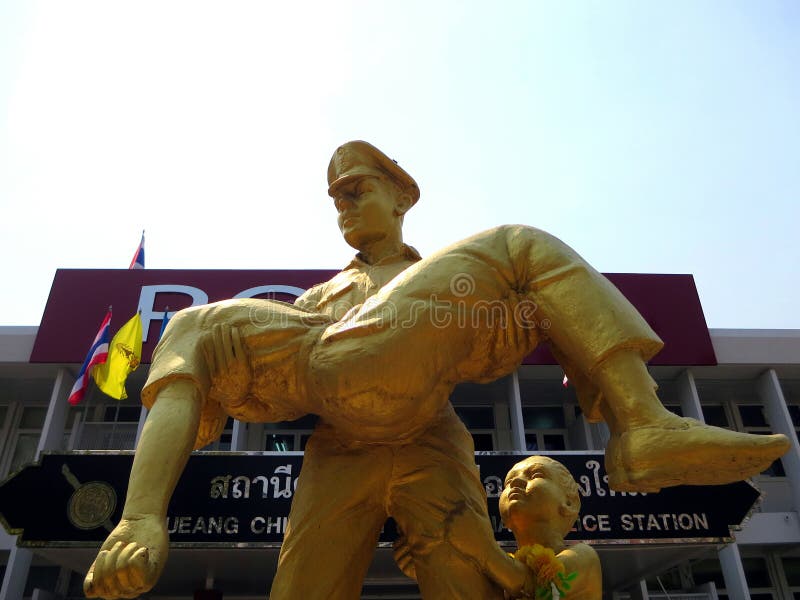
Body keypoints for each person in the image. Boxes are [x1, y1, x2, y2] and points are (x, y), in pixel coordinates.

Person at [83, 140, 789, 599]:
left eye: (357, 188)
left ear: (402, 195)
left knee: (467, 578)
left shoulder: (448, 290)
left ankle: (642, 424)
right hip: (341, 440)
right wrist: (142, 517)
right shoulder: (314, 305)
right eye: (335, 199)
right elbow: (229, 377)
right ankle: (643, 426)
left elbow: (505, 335)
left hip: (429, 437)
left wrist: (571, 345)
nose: (343, 206)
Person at [500, 456, 602, 599]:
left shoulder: (584, 557)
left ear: (570, 502)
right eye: (508, 482)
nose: (515, 482)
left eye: (536, 475)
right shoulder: (501, 571)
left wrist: (484, 551)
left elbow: (536, 585)